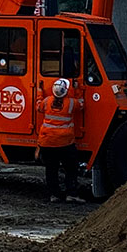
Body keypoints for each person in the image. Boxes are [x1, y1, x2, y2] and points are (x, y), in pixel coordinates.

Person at [38, 76, 83, 204]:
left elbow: (38, 107)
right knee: (71, 168)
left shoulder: (46, 101)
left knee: (51, 170)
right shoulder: (71, 103)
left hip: (47, 141)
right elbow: (81, 104)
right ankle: (71, 194)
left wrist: (40, 91)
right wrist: (77, 89)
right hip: (65, 143)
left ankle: (54, 195)